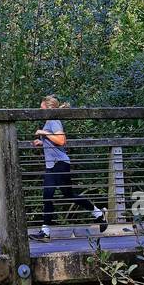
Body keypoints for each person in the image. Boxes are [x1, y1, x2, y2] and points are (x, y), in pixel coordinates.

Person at [33, 96, 107, 237]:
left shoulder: (53, 120)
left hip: (59, 164)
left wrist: (43, 133)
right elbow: (55, 141)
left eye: (42, 109)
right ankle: (45, 231)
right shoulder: (50, 120)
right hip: (54, 165)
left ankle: (98, 213)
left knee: (57, 195)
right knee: (55, 195)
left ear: (50, 109)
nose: (40, 112)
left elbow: (61, 140)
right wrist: (42, 143)